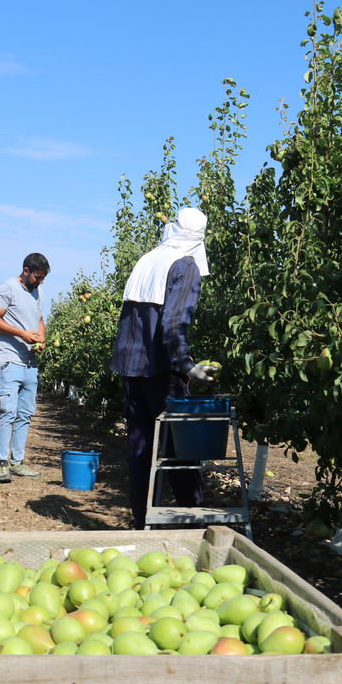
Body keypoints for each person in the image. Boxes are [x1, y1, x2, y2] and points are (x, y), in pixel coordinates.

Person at [110, 208, 218, 529]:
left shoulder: (148, 259)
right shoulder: (185, 266)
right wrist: (189, 366)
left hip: (131, 369)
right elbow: (173, 324)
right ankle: (193, 523)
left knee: (140, 447)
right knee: (181, 448)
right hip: (161, 371)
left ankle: (142, 521)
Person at [0, 253, 49, 483]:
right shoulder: (7, 288)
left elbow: (39, 318)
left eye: (43, 278)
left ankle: (17, 462)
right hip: (8, 359)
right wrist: (22, 333)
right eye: (38, 277)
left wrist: (41, 337)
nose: (40, 282)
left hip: (30, 361)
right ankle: (1, 463)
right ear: (26, 270)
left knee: (25, 413)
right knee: (8, 411)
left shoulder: (38, 291)